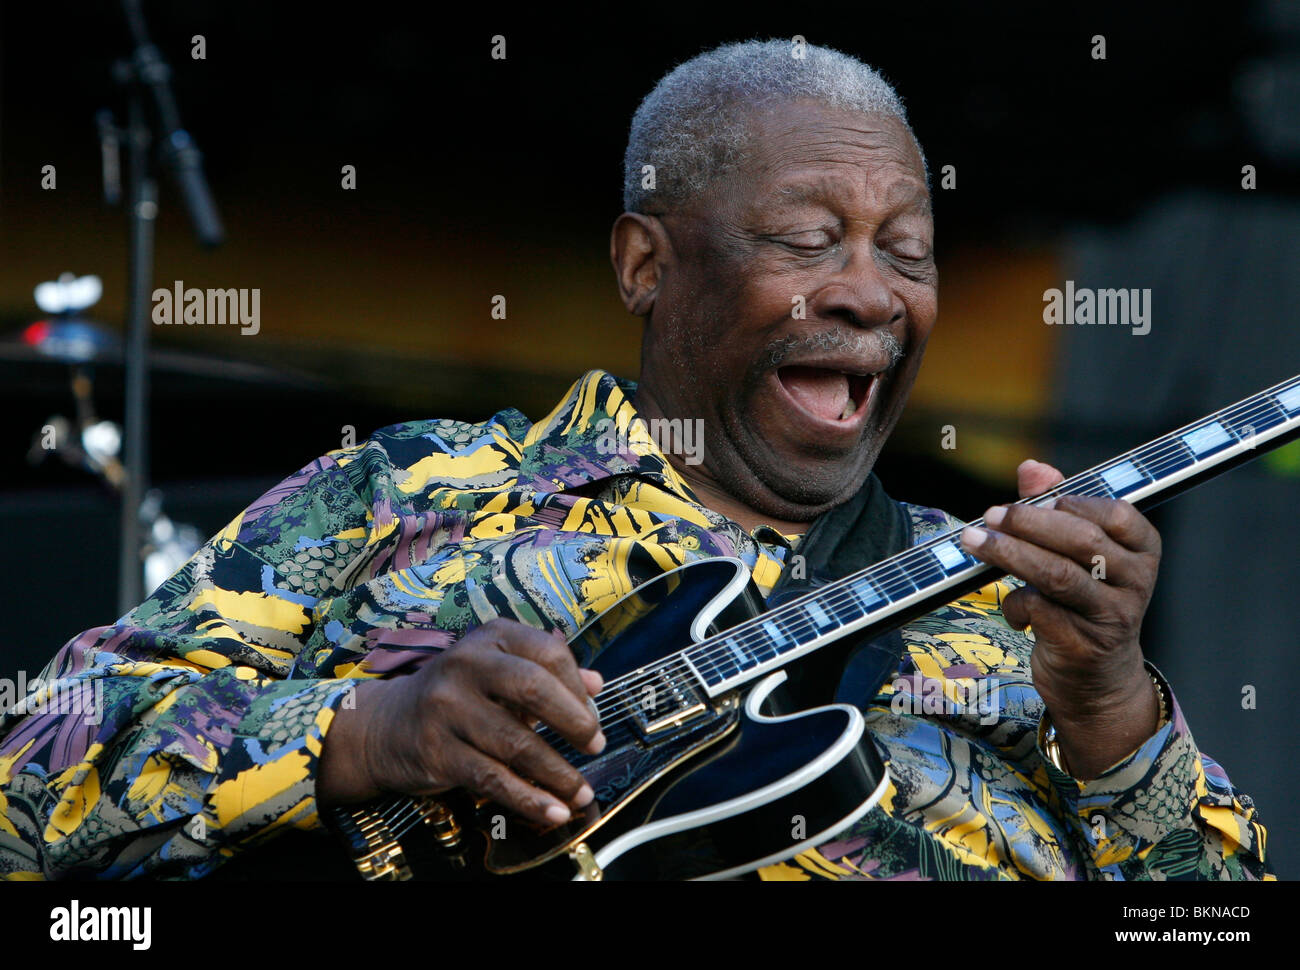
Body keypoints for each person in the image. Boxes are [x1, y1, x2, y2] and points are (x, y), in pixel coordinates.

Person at [0, 40, 1270, 881]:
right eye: (810, 236)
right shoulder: (408, 492)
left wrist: (1112, 716)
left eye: (908, 249)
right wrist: (361, 729)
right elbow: (31, 772)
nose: (871, 292)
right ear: (646, 264)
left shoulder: (1021, 619)